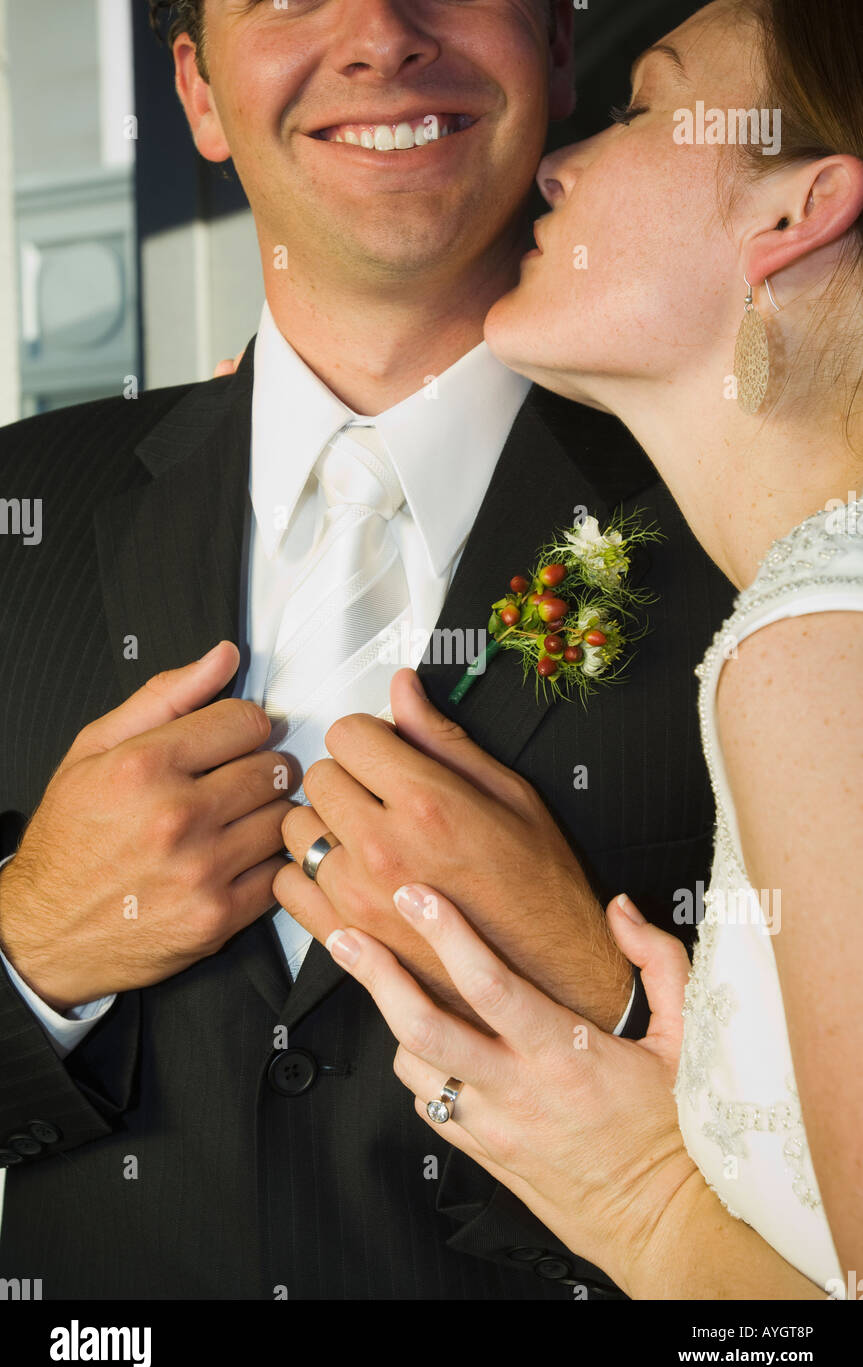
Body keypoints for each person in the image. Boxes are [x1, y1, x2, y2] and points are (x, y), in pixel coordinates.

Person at [0, 1, 733, 1299]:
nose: (382, 33)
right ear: (200, 93)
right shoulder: (19, 508)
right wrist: (32, 945)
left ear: (557, 49)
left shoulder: (761, 517)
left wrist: (602, 1000)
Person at [295, 0, 863, 1297]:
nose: (560, 161)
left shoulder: (814, 648)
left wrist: (649, 1197)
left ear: (795, 211)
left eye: (645, 106)